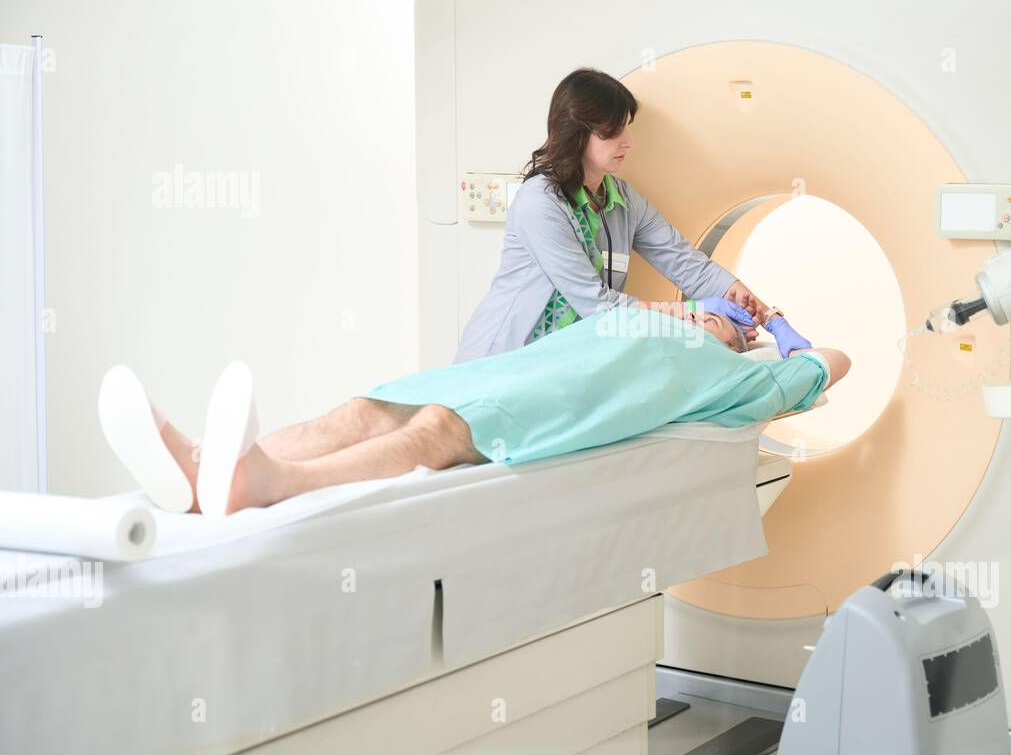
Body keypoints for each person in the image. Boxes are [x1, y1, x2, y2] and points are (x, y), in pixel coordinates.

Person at [99, 307, 847, 517]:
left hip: (558, 403)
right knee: (366, 408)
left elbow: (828, 366)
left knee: (439, 433)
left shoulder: (728, 377)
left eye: (731, 321)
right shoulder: (641, 314)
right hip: (515, 370)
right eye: (714, 307)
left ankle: (267, 484)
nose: (718, 315)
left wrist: (779, 330)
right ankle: (204, 464)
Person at [454, 67, 766, 362]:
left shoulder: (624, 200)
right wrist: (691, 311)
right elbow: (598, 304)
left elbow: (684, 262)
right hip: (503, 358)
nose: (628, 141)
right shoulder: (540, 204)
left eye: (627, 127)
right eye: (614, 132)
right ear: (576, 133)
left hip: (561, 362)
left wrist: (749, 304)